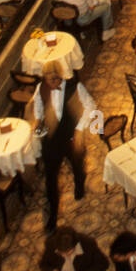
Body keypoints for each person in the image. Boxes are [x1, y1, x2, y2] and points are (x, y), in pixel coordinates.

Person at [30, 66, 99, 231]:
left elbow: (91, 106)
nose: (53, 84)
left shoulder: (75, 86)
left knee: (77, 164)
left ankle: (79, 185)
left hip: (71, 136)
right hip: (51, 139)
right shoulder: (41, 89)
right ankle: (53, 215)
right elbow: (38, 106)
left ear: (61, 77)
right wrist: (38, 121)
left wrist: (80, 128)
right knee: (50, 177)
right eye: (49, 81)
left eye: (55, 80)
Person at [39, 225, 108, 271]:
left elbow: (104, 263)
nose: (64, 256)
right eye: (60, 253)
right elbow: (43, 264)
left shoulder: (88, 244)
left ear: (75, 245)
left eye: (69, 253)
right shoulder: (50, 244)